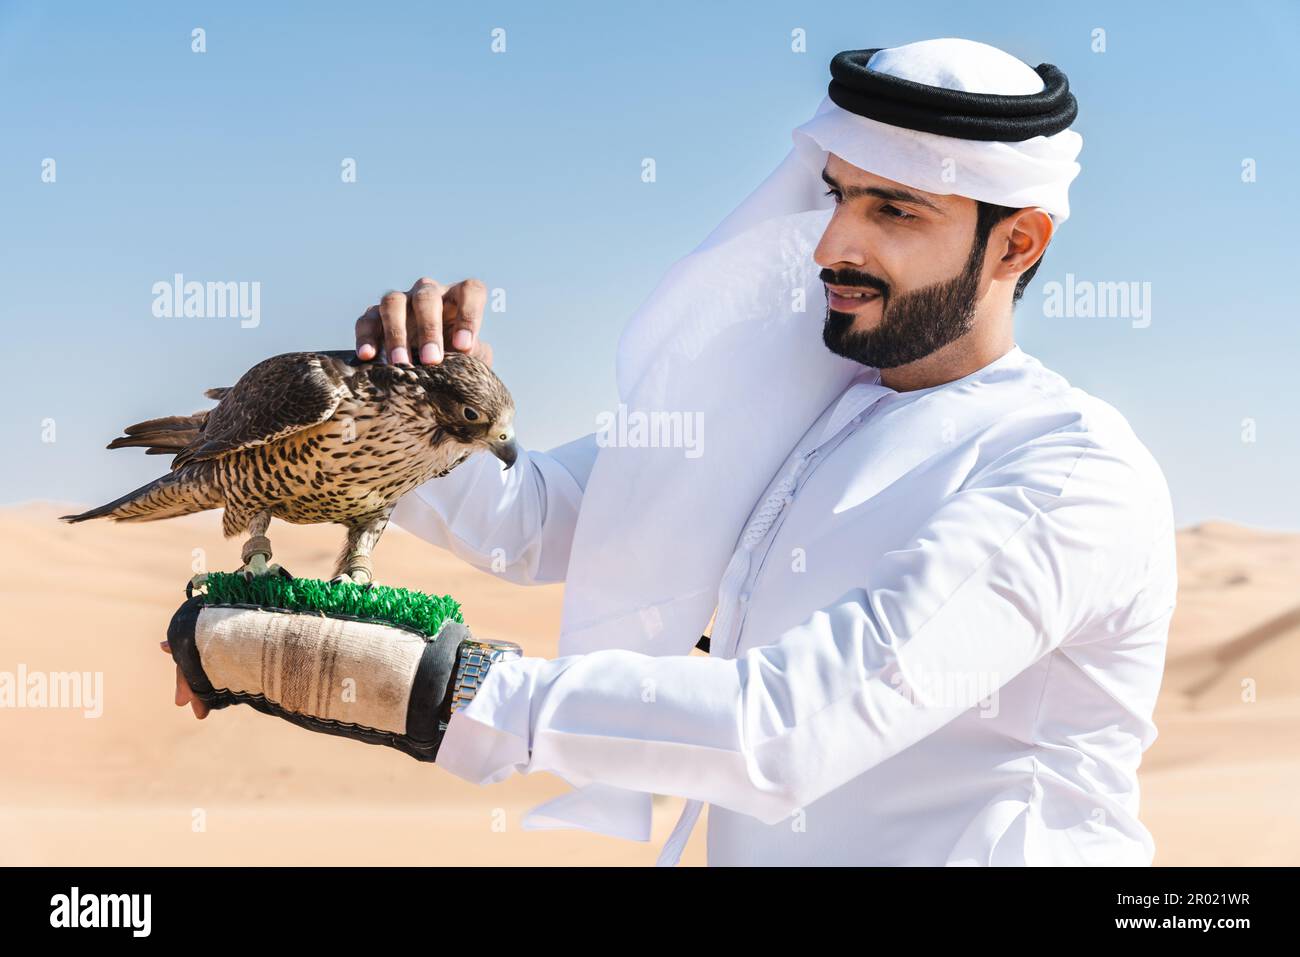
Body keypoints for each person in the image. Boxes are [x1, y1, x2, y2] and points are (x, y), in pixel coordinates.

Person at [169, 38, 1177, 866]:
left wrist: (448, 689)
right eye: (835, 195)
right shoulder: (805, 405)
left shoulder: (1063, 473)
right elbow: (538, 520)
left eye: (893, 210)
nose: (833, 244)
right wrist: (409, 409)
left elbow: (780, 729)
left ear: (1018, 244)